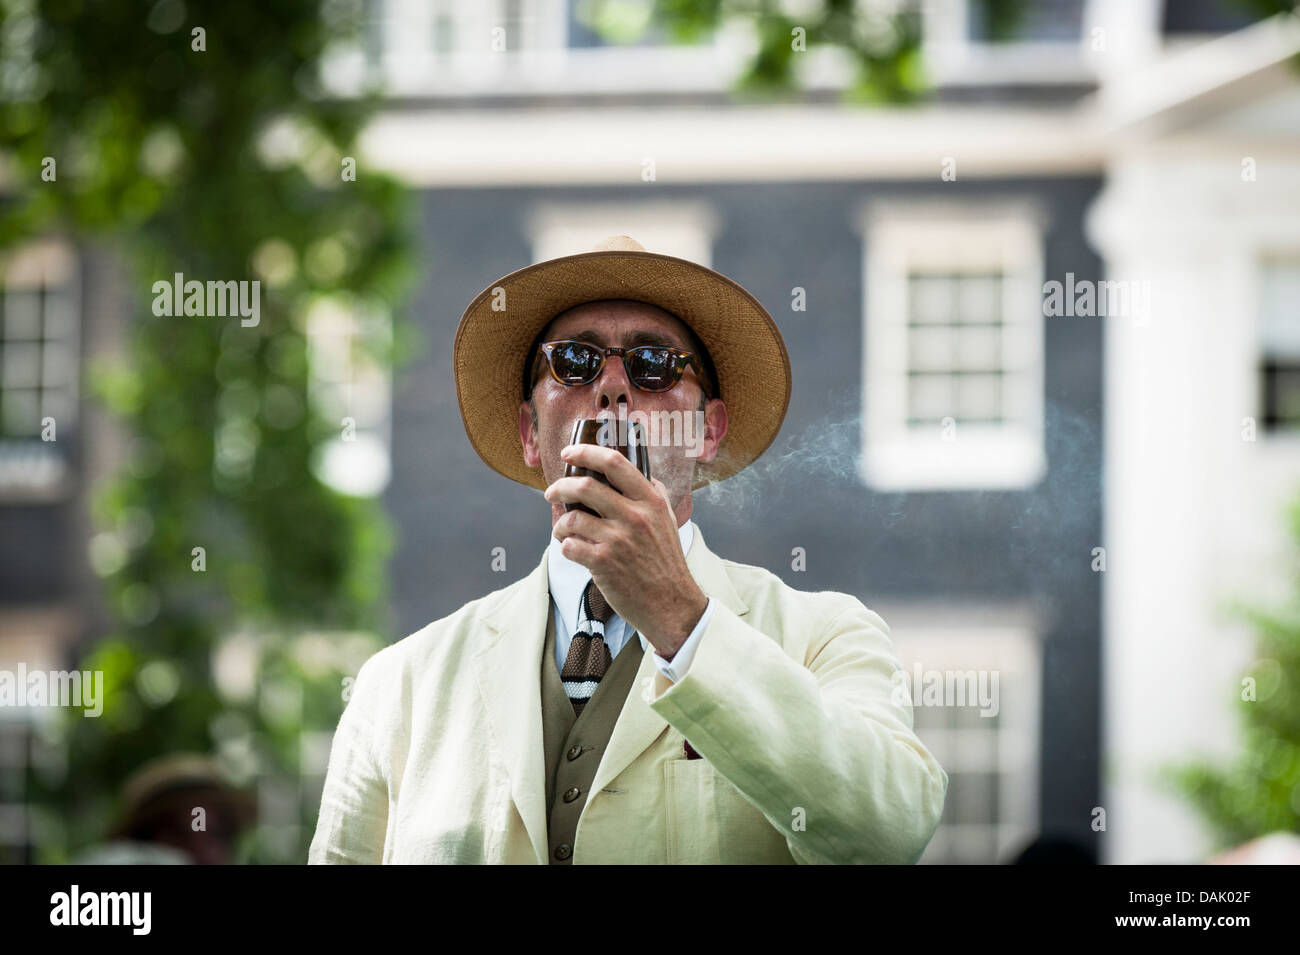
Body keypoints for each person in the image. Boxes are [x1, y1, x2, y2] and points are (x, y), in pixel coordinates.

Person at [309, 235, 947, 864]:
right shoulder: (400, 686)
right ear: (531, 433)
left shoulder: (824, 637)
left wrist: (681, 619)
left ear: (707, 431)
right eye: (575, 363)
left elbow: (887, 834)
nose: (613, 387)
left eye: (654, 363)